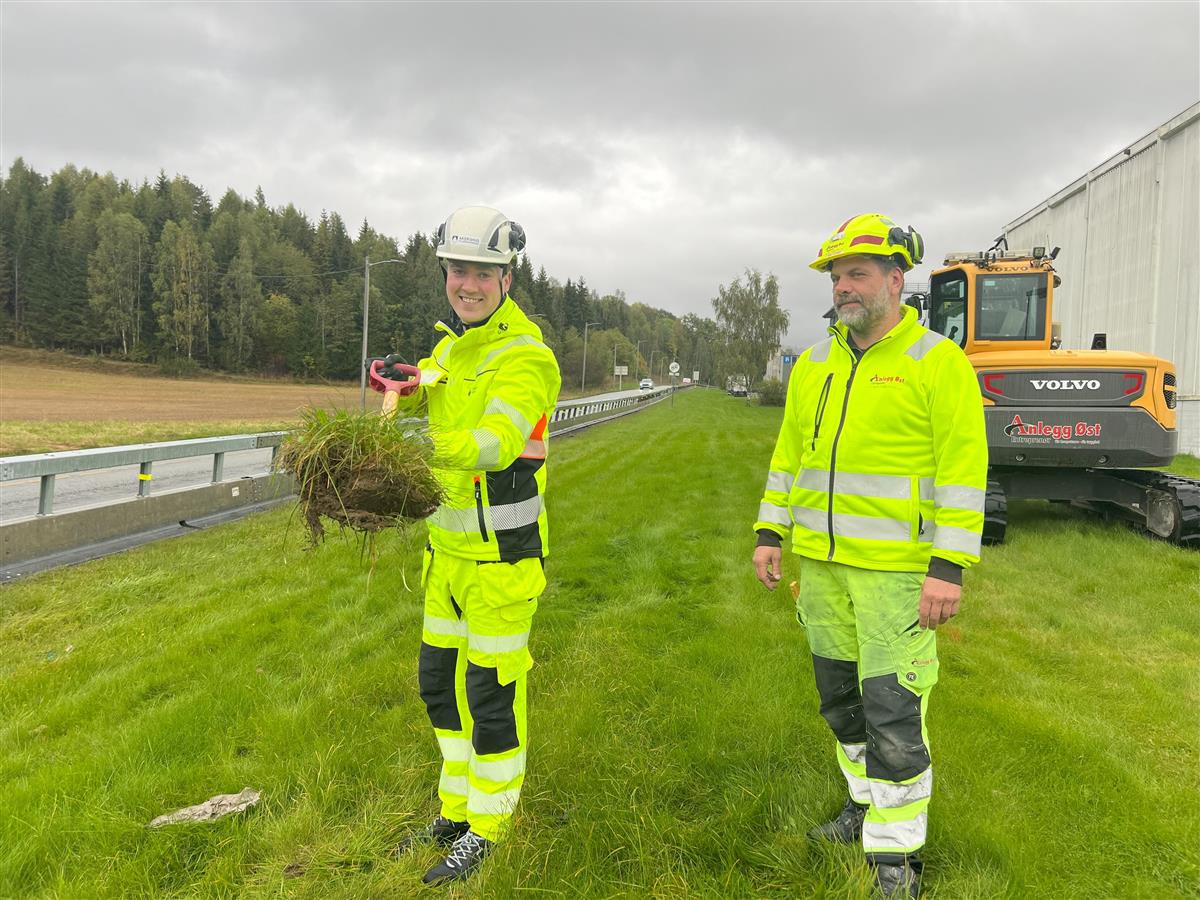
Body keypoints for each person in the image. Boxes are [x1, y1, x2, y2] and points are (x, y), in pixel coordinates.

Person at [752, 214, 987, 898]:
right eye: (836, 276)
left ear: (895, 279)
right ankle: (864, 803)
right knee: (841, 704)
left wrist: (948, 568)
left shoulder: (936, 362)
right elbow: (789, 457)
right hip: (822, 571)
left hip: (897, 578)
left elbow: (965, 471)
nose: (843, 287)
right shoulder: (817, 363)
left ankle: (896, 859)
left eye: (857, 273)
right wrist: (771, 533)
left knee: (893, 714)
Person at [370, 205, 561, 885]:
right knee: (437, 689)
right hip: (446, 559)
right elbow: (428, 404)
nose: (468, 283)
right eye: (458, 270)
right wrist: (403, 384)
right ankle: (455, 808)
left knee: (490, 693)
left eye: (483, 271)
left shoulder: (528, 357)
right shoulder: (448, 350)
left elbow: (495, 443)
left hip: (503, 562)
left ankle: (490, 825)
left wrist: (420, 443)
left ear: (507, 278)